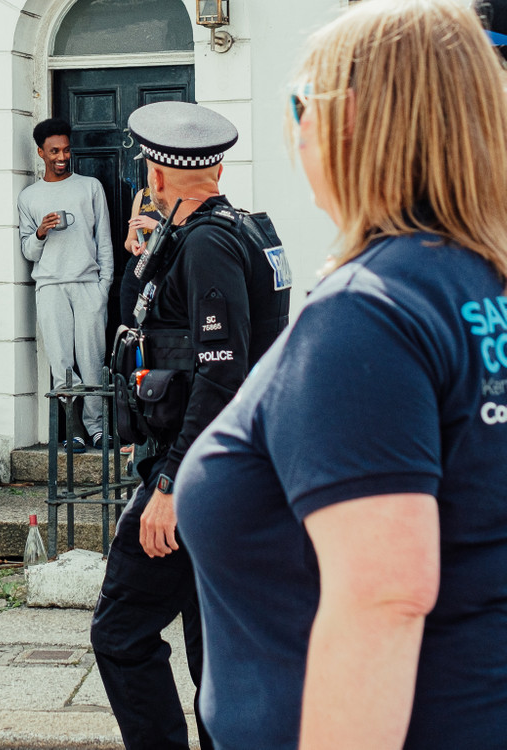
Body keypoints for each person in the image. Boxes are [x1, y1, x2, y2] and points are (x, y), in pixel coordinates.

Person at [175, 1, 507, 748]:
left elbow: (383, 595)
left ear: (349, 118)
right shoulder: (481, 286)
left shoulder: (370, 313)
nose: (295, 130)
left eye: (300, 104)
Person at [90, 101, 291, 750]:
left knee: (121, 631)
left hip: (199, 471)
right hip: (230, 469)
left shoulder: (207, 243)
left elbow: (220, 373)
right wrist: (139, 257)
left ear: (155, 174)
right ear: (216, 167)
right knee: (216, 652)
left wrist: (172, 485)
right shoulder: (231, 229)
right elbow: (139, 334)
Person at [18, 117, 113, 451]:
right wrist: (41, 232)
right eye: (54, 151)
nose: (61, 156)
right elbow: (28, 250)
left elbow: (104, 242)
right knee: (61, 362)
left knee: (92, 360)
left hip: (87, 285)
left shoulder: (90, 187)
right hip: (50, 287)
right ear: (41, 152)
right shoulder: (29, 197)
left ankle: (97, 428)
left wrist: (103, 287)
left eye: (66, 150)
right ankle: (72, 430)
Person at [119, 186, 162, 328]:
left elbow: (186, 233)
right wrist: (133, 245)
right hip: (137, 265)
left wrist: (156, 225)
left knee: (152, 327)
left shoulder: (181, 192)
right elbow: (128, 240)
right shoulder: (143, 194)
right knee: (129, 325)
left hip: (163, 268)